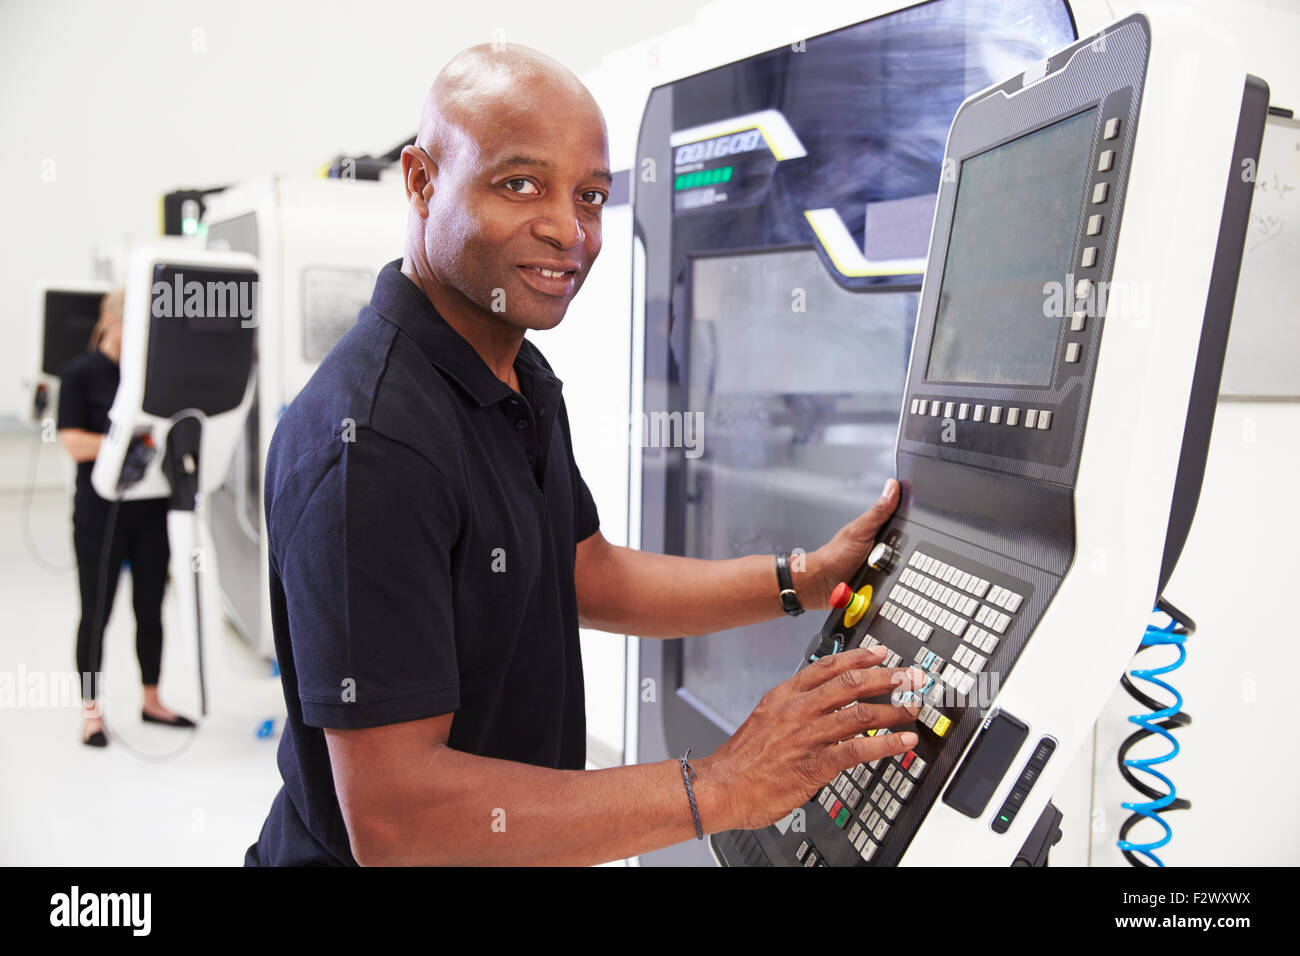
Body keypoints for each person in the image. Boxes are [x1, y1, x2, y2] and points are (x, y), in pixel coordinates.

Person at [245, 43, 923, 866]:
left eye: (591, 196)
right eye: (520, 184)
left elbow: (581, 570)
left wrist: (801, 579)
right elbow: (398, 822)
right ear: (422, 180)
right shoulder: (373, 441)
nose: (569, 231)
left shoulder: (517, 374)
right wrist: (725, 782)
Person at [57, 289, 193, 746]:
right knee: (96, 611)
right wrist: (126, 445)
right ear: (113, 322)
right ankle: (91, 713)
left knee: (150, 607)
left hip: (149, 508)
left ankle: (151, 699)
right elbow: (74, 442)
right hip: (99, 512)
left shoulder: (147, 374)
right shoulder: (80, 374)